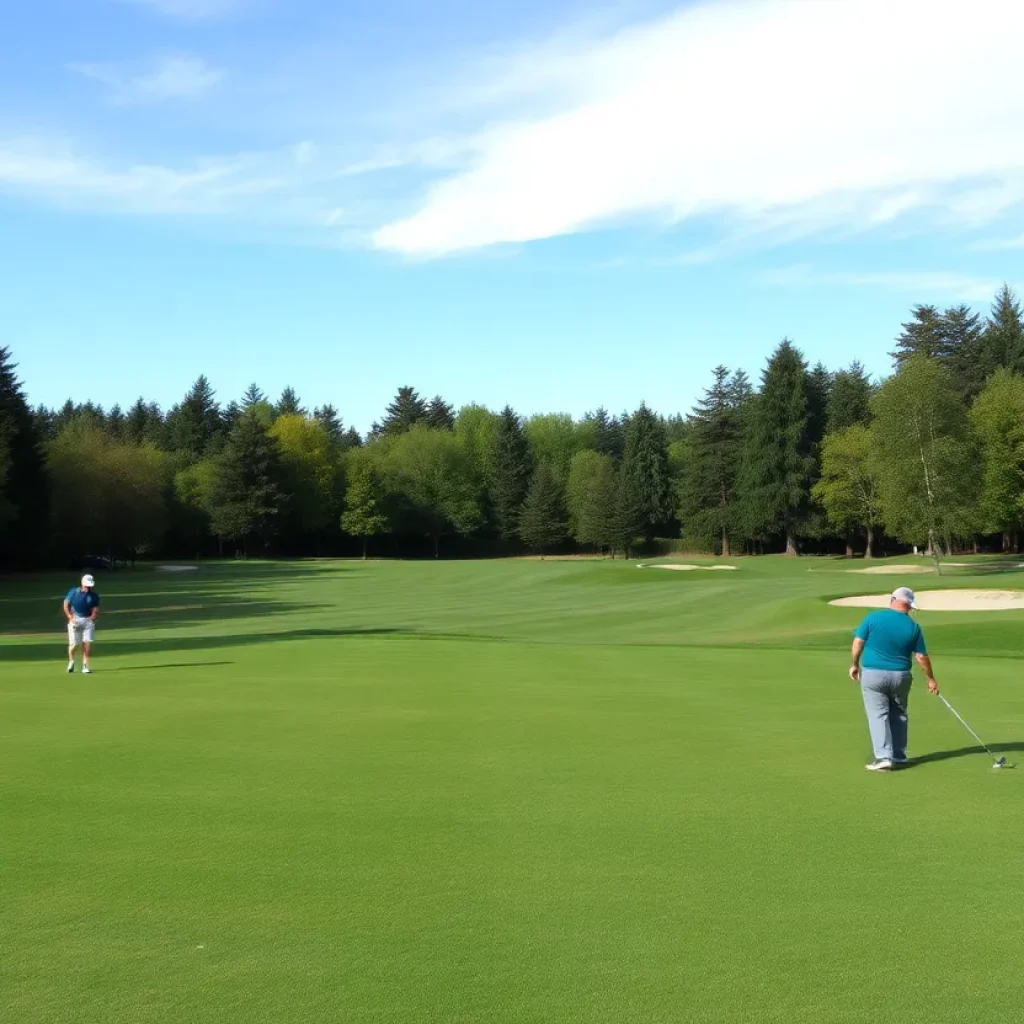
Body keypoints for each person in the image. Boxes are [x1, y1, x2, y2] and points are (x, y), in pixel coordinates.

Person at [849, 586, 939, 771]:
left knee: (878, 714)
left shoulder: (873, 618)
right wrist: (931, 679)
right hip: (901, 676)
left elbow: (858, 643)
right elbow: (921, 656)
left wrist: (855, 664)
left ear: (892, 600)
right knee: (899, 714)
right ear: (909, 605)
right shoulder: (913, 626)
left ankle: (884, 757)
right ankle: (899, 755)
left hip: (873, 674)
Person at [64, 574, 101, 674]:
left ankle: (85, 666)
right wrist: (70, 617)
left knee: (86, 643)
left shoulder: (94, 596)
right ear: (82, 583)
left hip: (88, 621)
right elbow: (66, 604)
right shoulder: (74, 592)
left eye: (89, 586)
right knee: (74, 644)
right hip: (75, 619)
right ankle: (71, 661)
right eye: (86, 585)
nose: (88, 588)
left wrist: (94, 615)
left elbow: (95, 608)